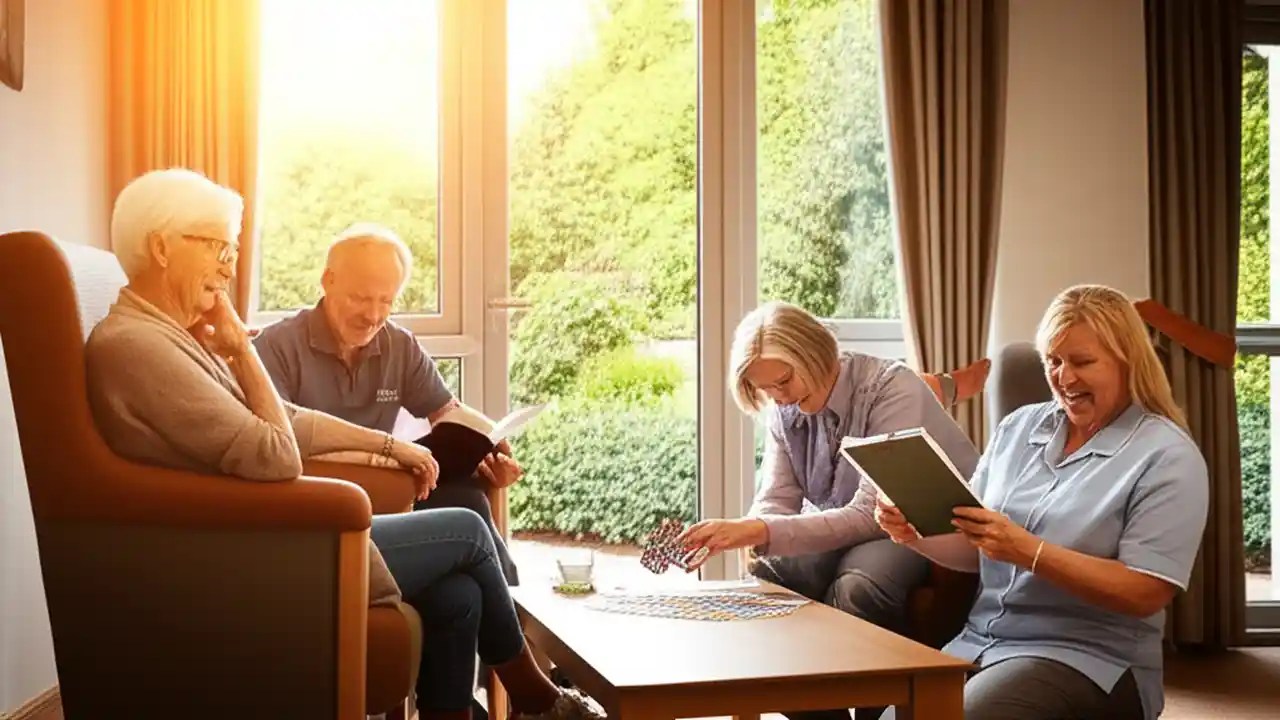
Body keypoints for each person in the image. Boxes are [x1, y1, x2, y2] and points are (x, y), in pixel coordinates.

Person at [84, 168, 600, 720]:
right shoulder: (140, 346)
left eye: (231, 248)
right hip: (255, 552)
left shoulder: (175, 338)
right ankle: (539, 699)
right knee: (468, 528)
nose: (230, 265)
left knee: (460, 594)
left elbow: (289, 420)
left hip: (271, 532)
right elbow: (279, 453)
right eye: (216, 246)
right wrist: (240, 350)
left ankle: (486, 705)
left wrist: (390, 446)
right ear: (160, 247)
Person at [876, 284, 1209, 720]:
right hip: (982, 642)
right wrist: (915, 533)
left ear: (1129, 360)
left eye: (1082, 362)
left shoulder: (1168, 456)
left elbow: (1146, 591)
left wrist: (1029, 551)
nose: (1064, 378)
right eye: (1053, 361)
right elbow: (976, 546)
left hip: (1089, 658)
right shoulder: (1018, 428)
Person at [678, 301, 981, 720]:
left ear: (816, 351)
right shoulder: (783, 406)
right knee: (770, 573)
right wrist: (750, 530)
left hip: (916, 528)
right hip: (851, 522)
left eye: (783, 381)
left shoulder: (891, 389)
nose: (778, 398)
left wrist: (757, 530)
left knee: (858, 585)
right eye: (766, 389)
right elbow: (777, 498)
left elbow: (866, 513)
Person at [252, 222, 520, 587]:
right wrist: (389, 453)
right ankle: (518, 630)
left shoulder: (399, 345)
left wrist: (491, 445)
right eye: (361, 298)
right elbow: (280, 436)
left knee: (462, 578)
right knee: (466, 522)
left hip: (391, 496)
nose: (373, 315)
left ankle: (513, 625)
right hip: (321, 503)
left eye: (386, 301)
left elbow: (447, 412)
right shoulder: (275, 347)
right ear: (327, 281)